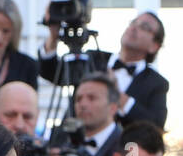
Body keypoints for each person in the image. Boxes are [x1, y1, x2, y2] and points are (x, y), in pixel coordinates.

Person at [40, 11, 168, 130]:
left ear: (154, 46)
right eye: (133, 22)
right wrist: (53, 37)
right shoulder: (92, 58)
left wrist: (118, 95)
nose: (134, 28)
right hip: (74, 143)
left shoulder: (156, 83)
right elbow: (51, 73)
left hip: (125, 150)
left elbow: (156, 126)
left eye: (144, 27)